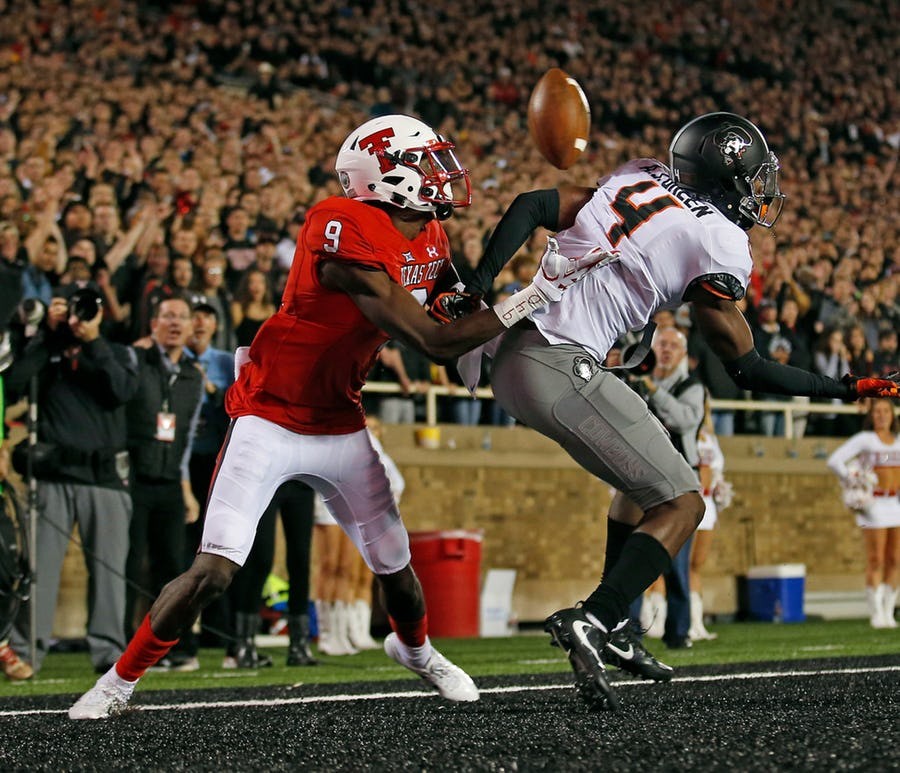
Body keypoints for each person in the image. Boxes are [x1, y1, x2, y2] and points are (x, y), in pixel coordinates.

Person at [69, 114, 603, 719]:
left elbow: (453, 305)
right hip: (269, 417)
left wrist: (541, 293)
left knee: (396, 566)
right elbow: (432, 339)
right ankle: (115, 684)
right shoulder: (339, 222)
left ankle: (417, 652)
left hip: (339, 419)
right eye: (425, 162)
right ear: (384, 175)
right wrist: (534, 294)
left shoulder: (428, 232)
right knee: (213, 570)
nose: (441, 173)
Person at [454, 111, 899, 711]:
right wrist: (849, 388)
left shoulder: (641, 177)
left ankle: (617, 629)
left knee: (639, 492)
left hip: (507, 350)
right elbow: (749, 367)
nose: (759, 192)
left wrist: (479, 284)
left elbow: (532, 203)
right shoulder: (721, 241)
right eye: (753, 177)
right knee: (686, 502)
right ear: (729, 174)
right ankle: (596, 618)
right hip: (559, 362)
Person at [4, 287, 138, 674]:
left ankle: (110, 652)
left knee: (110, 572)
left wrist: (93, 341)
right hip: (55, 474)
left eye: (87, 310)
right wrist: (49, 334)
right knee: (39, 570)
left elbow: (121, 391)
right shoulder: (49, 351)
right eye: (72, 309)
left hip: (106, 478)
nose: (80, 317)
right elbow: (14, 383)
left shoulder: (117, 350)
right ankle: (28, 649)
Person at [124, 295, 203, 642]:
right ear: (153, 324)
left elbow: (185, 440)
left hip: (170, 480)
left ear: (190, 328)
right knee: (129, 561)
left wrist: (186, 489)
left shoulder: (194, 377)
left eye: (181, 317)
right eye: (167, 316)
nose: (174, 323)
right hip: (133, 479)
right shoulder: (134, 361)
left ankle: (168, 642)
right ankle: (124, 640)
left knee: (172, 564)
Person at [627, 326, 705, 651]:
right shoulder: (638, 384)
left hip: (680, 480)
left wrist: (652, 390)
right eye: (663, 345)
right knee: (632, 556)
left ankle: (679, 631)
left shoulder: (692, 385)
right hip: (644, 476)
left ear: (684, 353)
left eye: (674, 345)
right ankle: (627, 632)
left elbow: (685, 419)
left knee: (677, 562)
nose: (668, 350)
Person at [315, 416, 404, 656]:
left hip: (354, 505)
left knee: (346, 569)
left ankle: (342, 631)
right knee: (330, 566)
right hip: (328, 501)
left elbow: (388, 476)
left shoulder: (367, 437)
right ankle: (327, 633)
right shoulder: (325, 429)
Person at [827, 399, 900, 628]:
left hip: (896, 503)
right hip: (874, 505)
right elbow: (834, 460)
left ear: (893, 415)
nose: (881, 415)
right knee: (876, 558)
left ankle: (889, 612)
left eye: (886, 411)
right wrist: (853, 479)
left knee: (895, 559)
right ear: (871, 416)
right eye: (877, 411)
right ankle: (876, 613)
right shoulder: (864, 440)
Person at [688, 400, 732, 642]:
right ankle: (685, 622)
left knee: (697, 565)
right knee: (685, 566)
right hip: (689, 502)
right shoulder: (680, 433)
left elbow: (717, 471)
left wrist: (720, 491)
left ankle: (697, 622)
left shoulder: (709, 438)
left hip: (708, 506)